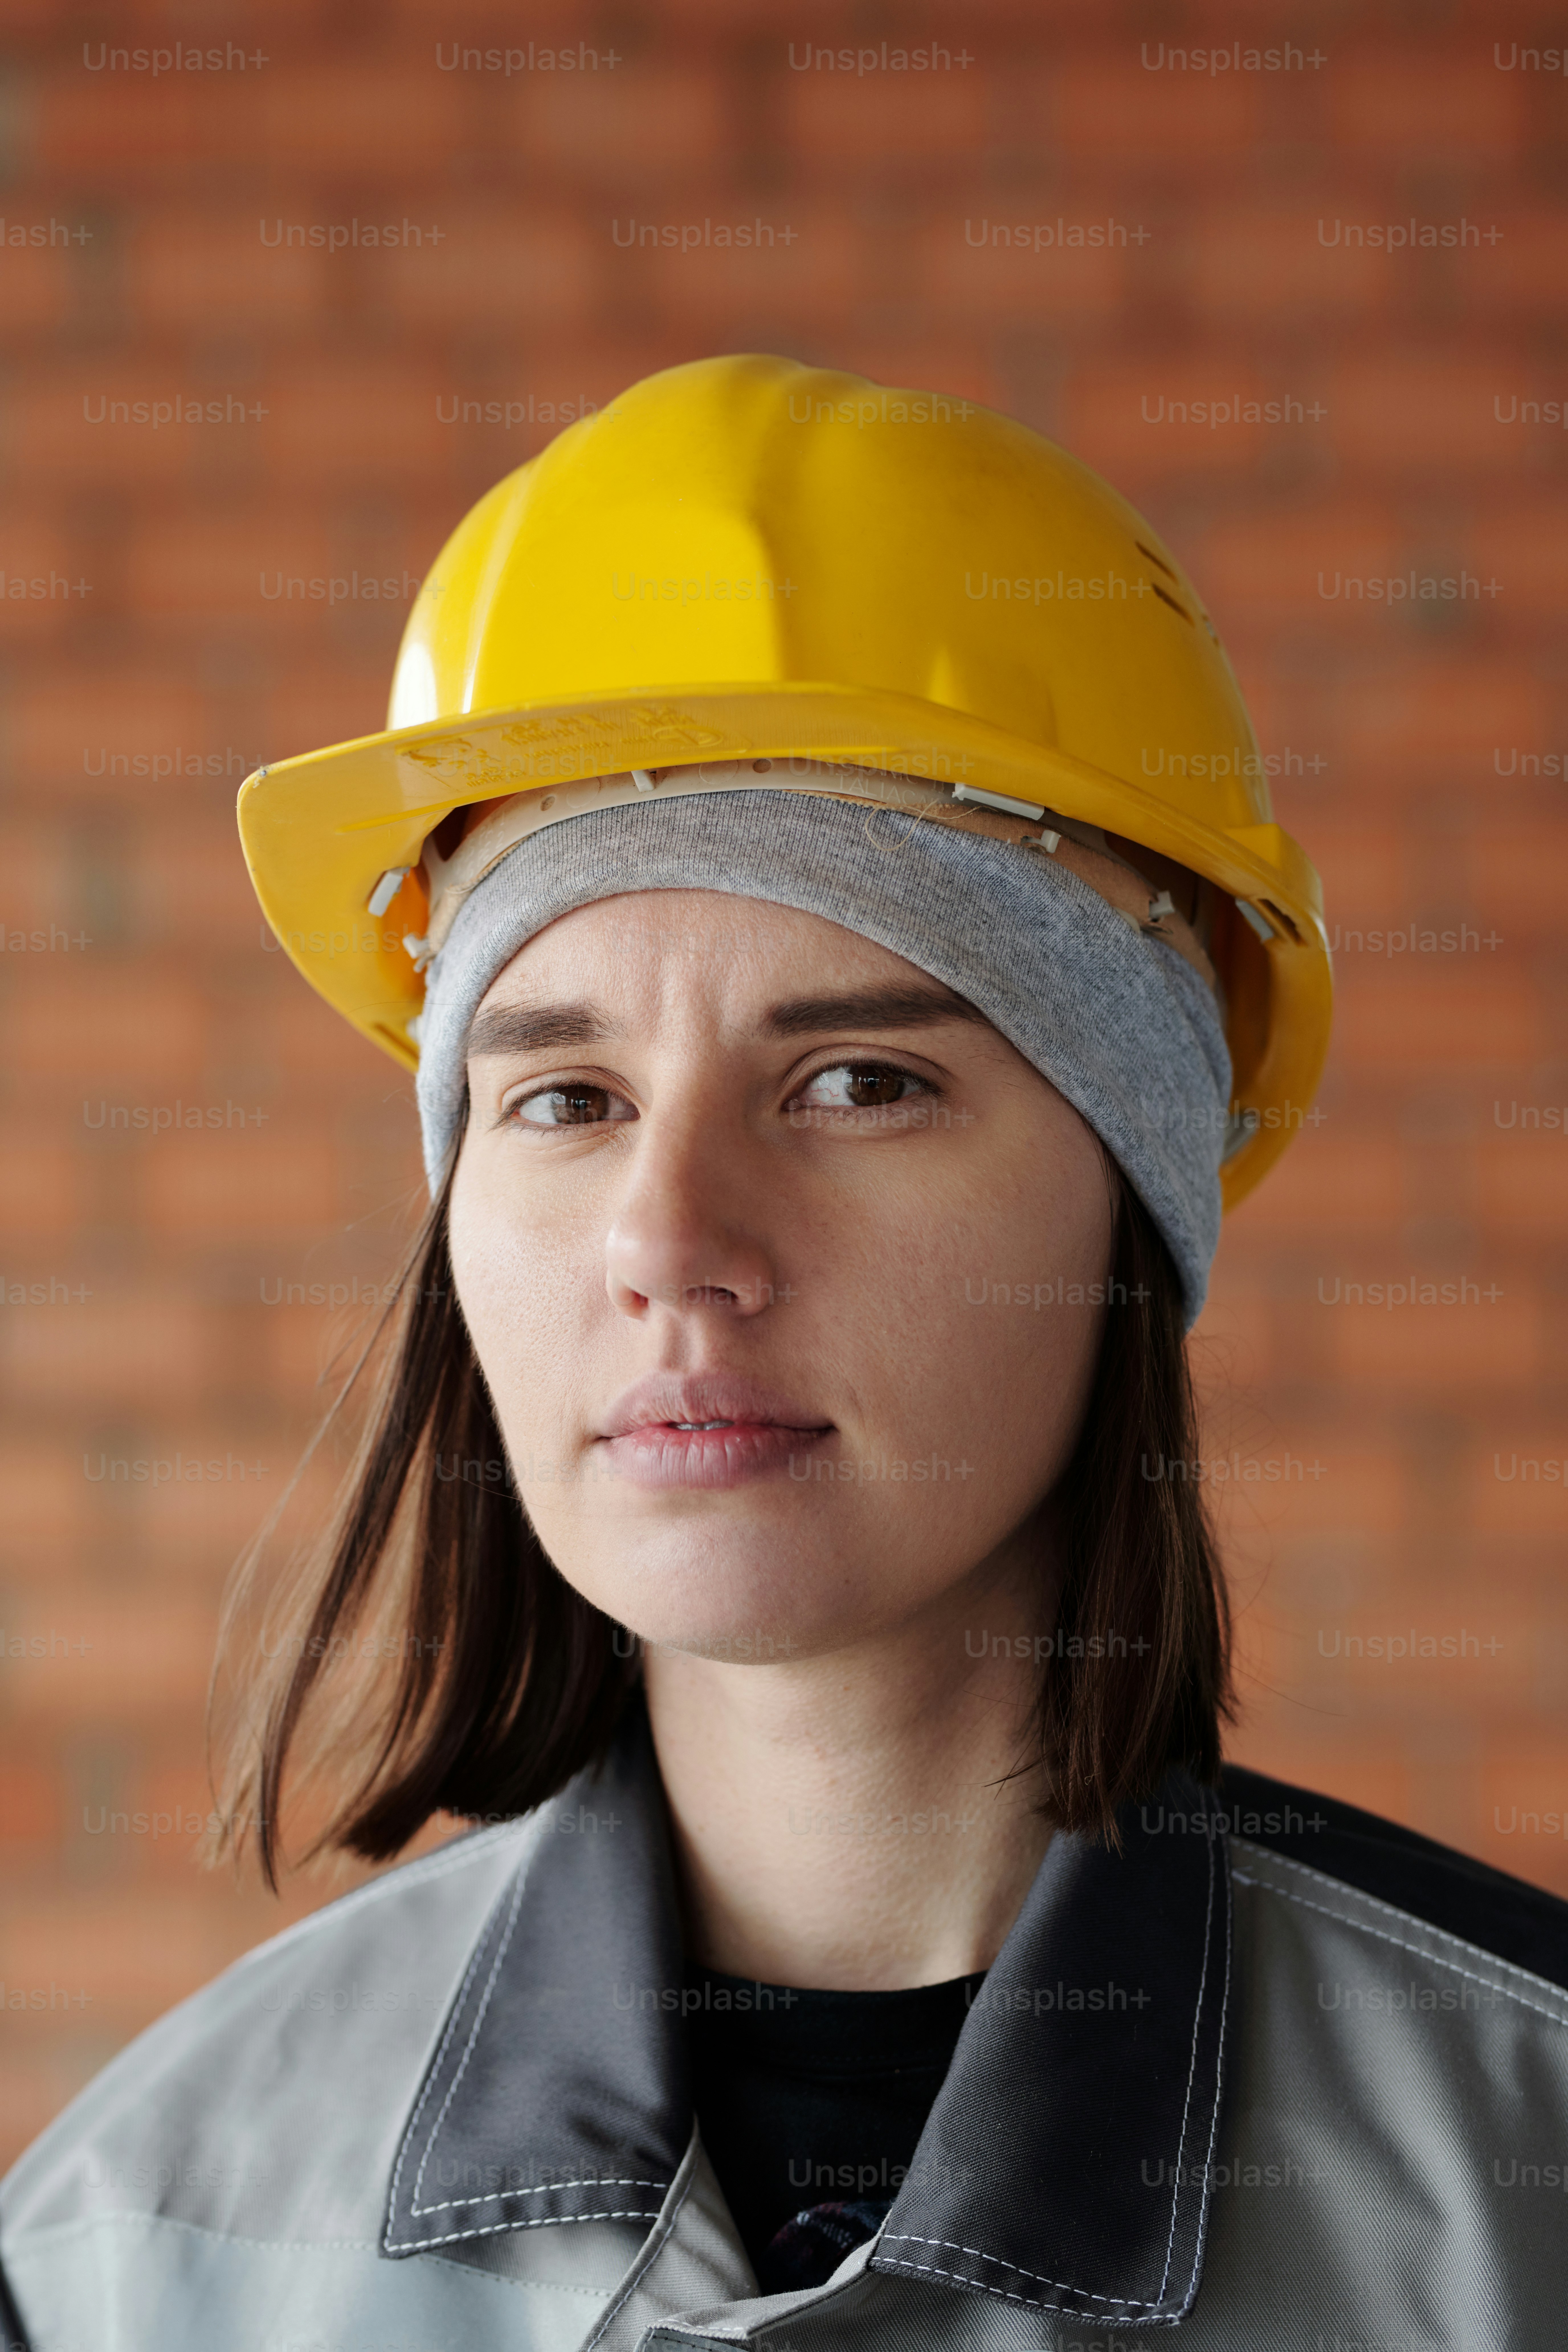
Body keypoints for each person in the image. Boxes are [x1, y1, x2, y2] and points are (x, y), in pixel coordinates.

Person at [3, 355, 1565, 2351]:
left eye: (855, 1080)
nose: (671, 1246)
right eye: (562, 1098)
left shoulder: (1526, 2189)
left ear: (1129, 1192)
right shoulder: (134, 2248)